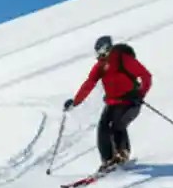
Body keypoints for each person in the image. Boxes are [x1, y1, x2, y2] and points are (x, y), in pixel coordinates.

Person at [63, 35, 152, 172]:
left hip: (130, 100)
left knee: (117, 125)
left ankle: (122, 155)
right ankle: (108, 160)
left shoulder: (123, 59)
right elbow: (89, 84)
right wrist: (75, 102)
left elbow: (146, 76)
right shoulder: (101, 65)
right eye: (97, 52)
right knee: (103, 128)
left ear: (107, 48)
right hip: (113, 102)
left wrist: (140, 93)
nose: (99, 55)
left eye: (101, 51)